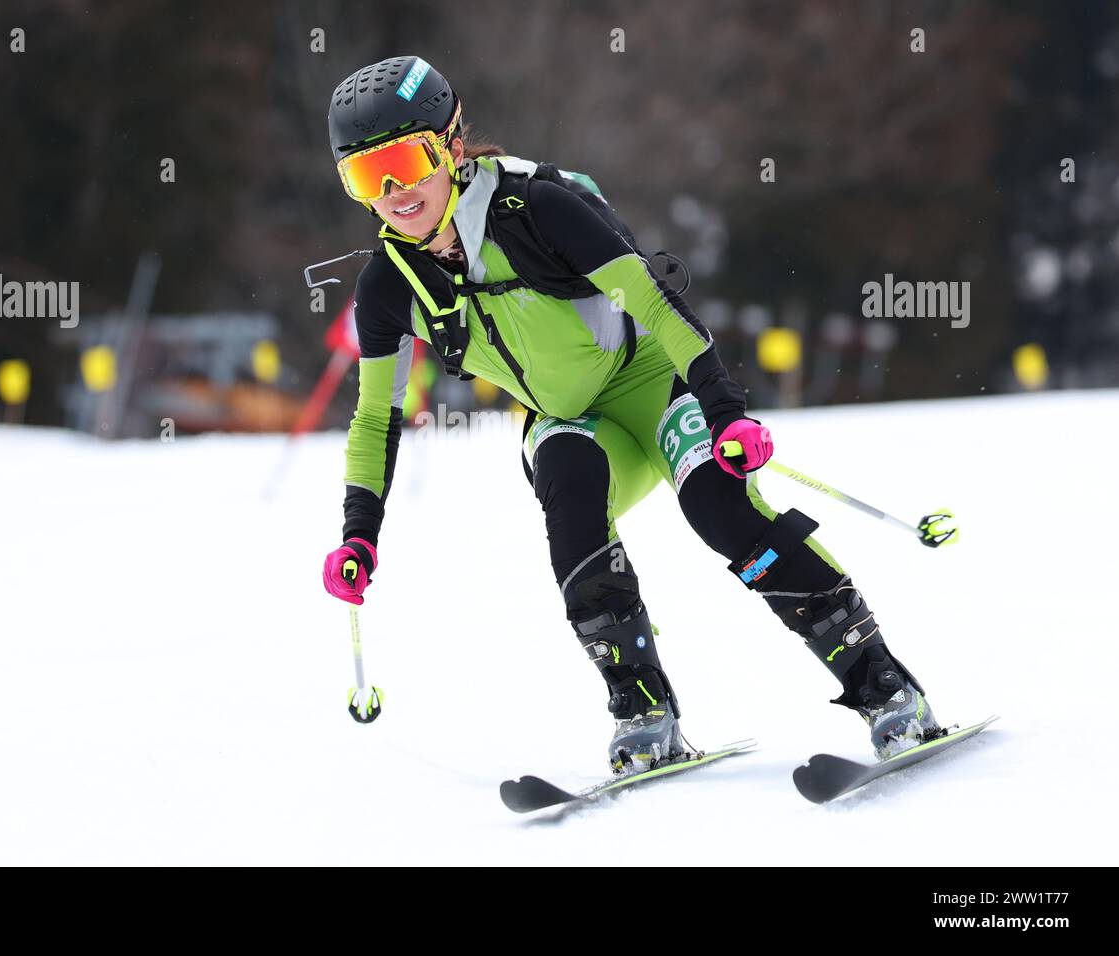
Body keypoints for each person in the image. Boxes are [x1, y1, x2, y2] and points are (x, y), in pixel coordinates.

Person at [319, 55, 938, 773]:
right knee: (569, 494)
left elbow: (653, 301)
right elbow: (375, 419)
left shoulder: (538, 209)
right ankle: (642, 711)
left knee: (721, 511)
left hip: (651, 385)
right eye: (368, 177)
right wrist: (359, 535)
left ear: (452, 146)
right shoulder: (388, 286)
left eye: (404, 162)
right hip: (570, 420)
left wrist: (724, 409)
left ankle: (887, 690)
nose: (394, 193)